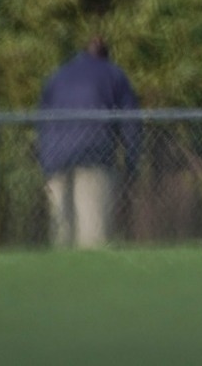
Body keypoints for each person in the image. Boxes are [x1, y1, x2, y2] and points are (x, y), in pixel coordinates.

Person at [37, 38, 140, 249]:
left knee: (60, 229)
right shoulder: (114, 74)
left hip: (55, 157)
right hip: (94, 155)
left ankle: (61, 275)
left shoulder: (57, 76)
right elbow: (130, 121)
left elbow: (41, 119)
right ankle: (91, 277)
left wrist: (44, 157)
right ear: (106, 55)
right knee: (93, 232)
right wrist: (132, 161)